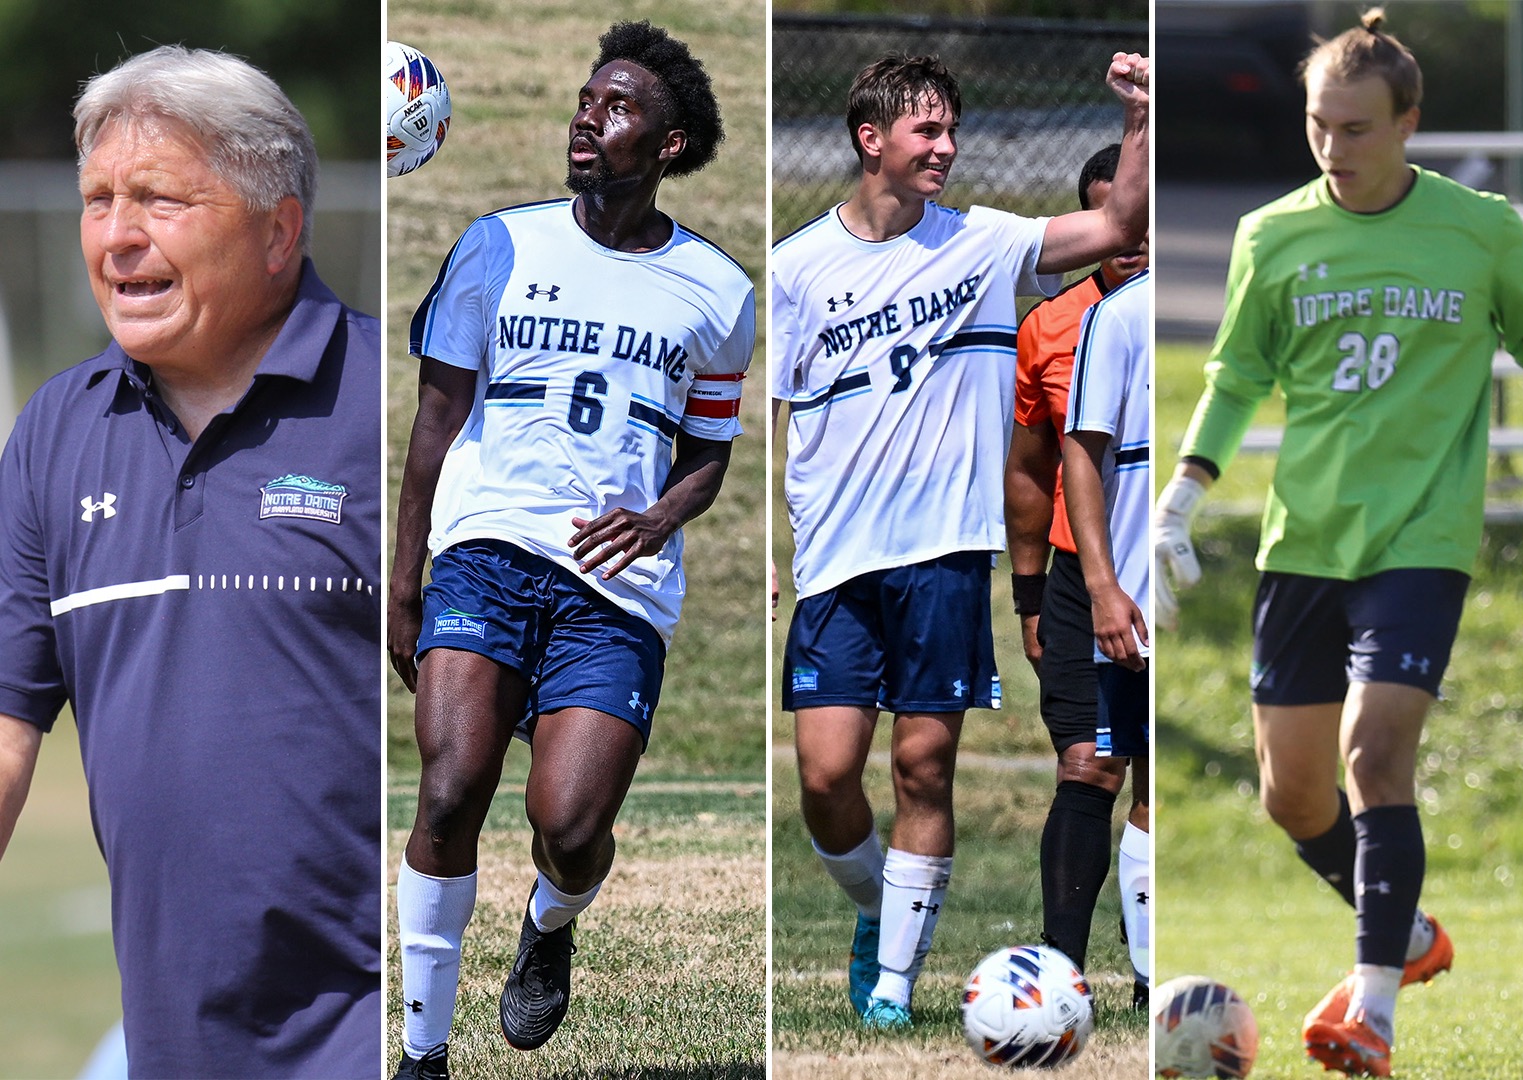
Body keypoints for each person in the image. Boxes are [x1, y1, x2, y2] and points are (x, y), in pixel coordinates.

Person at [1150, 10, 1523, 1075]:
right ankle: (1406, 934)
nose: (1334, 147)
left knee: (1376, 754)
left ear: (1409, 122)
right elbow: (1236, 377)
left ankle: (1375, 1013)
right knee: (1293, 796)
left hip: (1422, 539)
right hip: (1302, 544)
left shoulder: (1481, 228)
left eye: (1357, 128)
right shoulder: (1271, 235)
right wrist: (1182, 494)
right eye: (1320, 125)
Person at [0, 46, 380, 1077]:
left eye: (159, 200)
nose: (116, 236)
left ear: (278, 231)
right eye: (98, 201)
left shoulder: (387, 404)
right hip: (173, 1039)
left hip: (374, 1025)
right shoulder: (53, 433)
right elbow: (7, 726)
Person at [389, 22, 753, 1078]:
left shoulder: (718, 291)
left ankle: (550, 923)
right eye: (587, 101)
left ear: (669, 145)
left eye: (618, 106)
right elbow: (434, 423)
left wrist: (661, 517)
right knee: (449, 791)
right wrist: (404, 583)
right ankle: (421, 1056)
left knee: (571, 825)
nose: (589, 119)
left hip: (613, 586)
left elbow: (710, 453)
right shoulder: (496, 245)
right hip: (486, 552)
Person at [771, 50, 1148, 1028]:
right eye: (926, 130)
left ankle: (894, 989)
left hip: (943, 555)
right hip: (835, 560)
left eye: (951, 130)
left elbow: (1118, 225)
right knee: (825, 779)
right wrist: (772, 544)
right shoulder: (796, 265)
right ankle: (874, 910)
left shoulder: (985, 242)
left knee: (922, 769)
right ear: (872, 139)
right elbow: (777, 407)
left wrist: (1141, 119)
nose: (945, 147)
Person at [1004, 143, 1150, 1004]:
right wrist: (1030, 596)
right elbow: (1031, 471)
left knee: (1159, 776)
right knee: (1090, 765)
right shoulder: (1052, 326)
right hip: (1079, 578)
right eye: (1115, 221)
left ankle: (1150, 976)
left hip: (1166, 571)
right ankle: (1060, 967)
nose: (1132, 239)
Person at [1057, 265, 1153, 1003]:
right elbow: (1079, 454)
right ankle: (1149, 980)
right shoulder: (1117, 316)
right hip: (1143, 592)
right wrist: (1103, 587)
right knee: (1134, 772)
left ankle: (1158, 981)